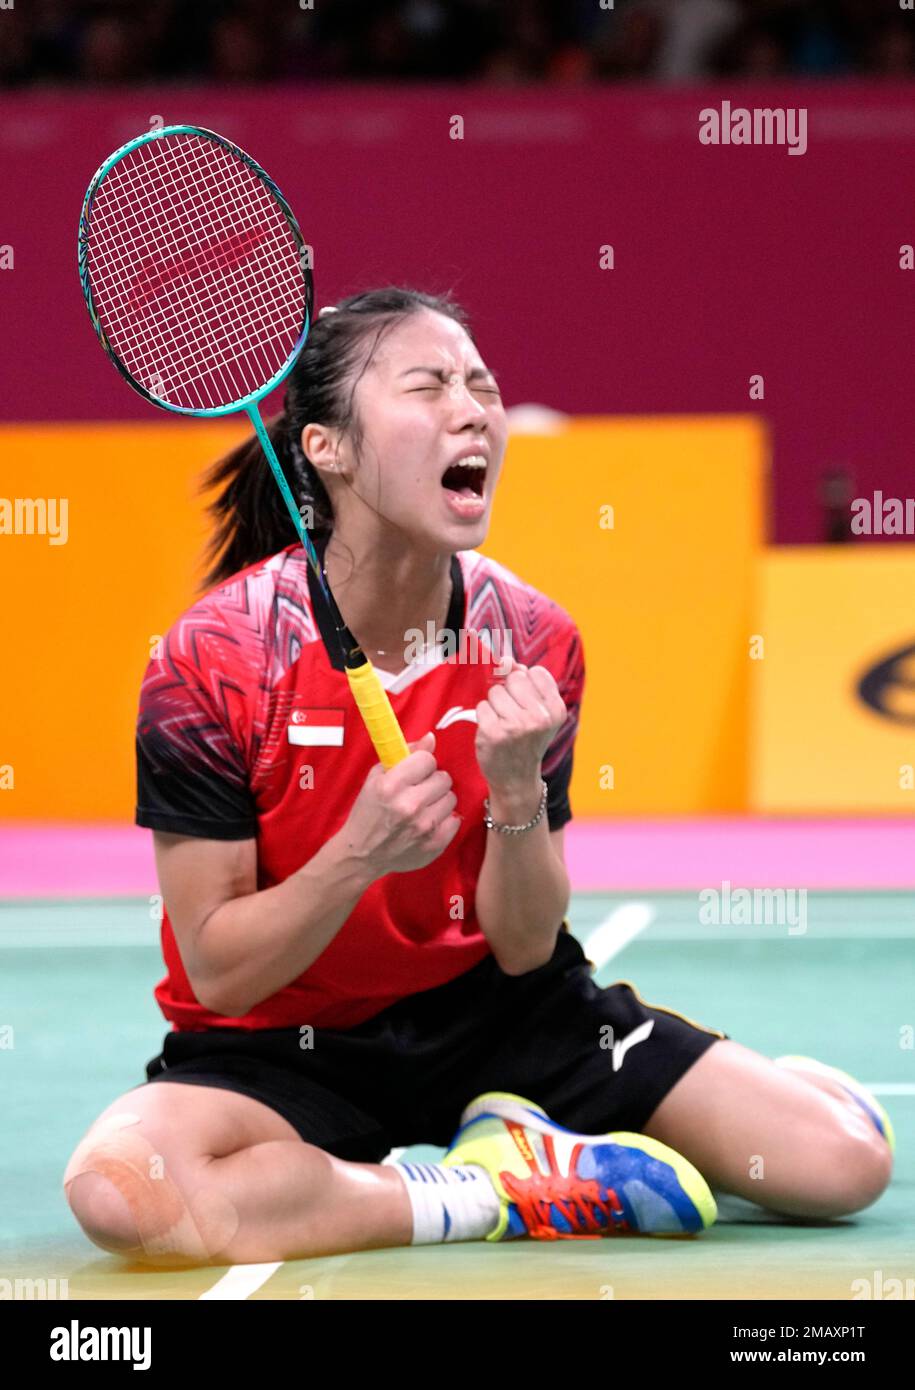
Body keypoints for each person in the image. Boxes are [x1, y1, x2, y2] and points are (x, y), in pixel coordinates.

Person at [63, 288, 893, 1265]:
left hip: (498, 1018)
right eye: (429, 386)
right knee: (124, 1196)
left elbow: (527, 940)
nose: (474, 410)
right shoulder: (214, 660)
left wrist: (514, 795)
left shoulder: (534, 638)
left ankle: (501, 1137)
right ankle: (491, 1184)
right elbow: (219, 964)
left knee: (843, 1168)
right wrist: (354, 858)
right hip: (282, 1041)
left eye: (481, 386)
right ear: (326, 449)